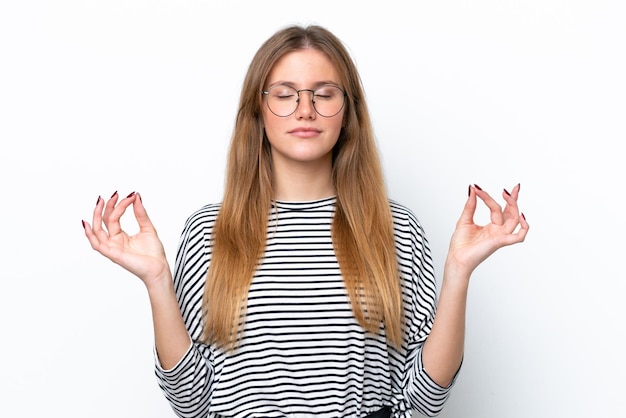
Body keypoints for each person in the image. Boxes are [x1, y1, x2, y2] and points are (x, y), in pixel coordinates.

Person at [82, 24, 528, 418]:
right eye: (284, 94)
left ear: (348, 112)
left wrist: (458, 273)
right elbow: (192, 403)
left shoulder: (395, 228)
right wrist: (158, 280)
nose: (305, 109)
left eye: (324, 93)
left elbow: (424, 401)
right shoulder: (209, 231)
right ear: (257, 111)